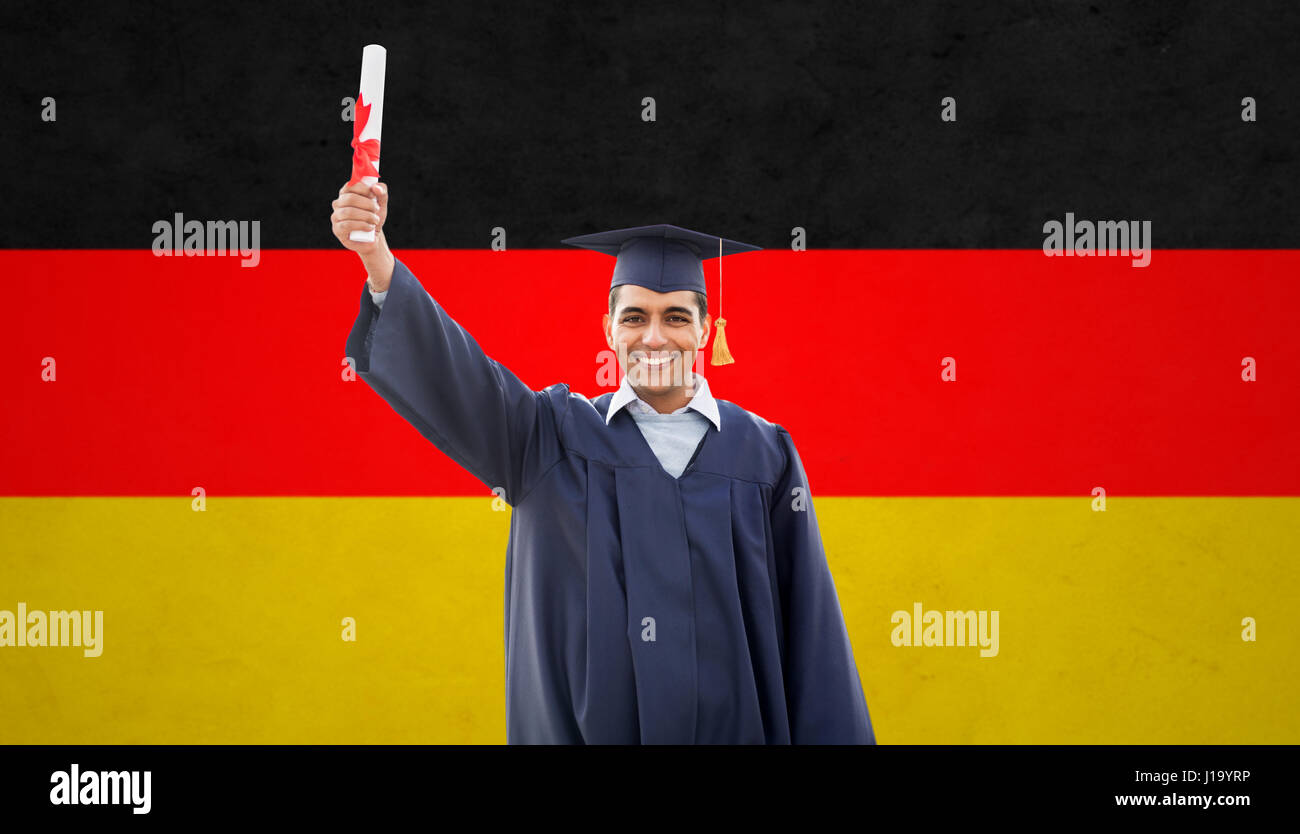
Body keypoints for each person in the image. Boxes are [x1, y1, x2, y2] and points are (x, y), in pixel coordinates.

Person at [330, 180, 875, 744]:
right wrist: (378, 259)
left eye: (677, 318)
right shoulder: (546, 438)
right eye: (635, 317)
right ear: (609, 330)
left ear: (707, 330)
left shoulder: (765, 456)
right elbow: (458, 374)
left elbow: (813, 633)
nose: (655, 337)